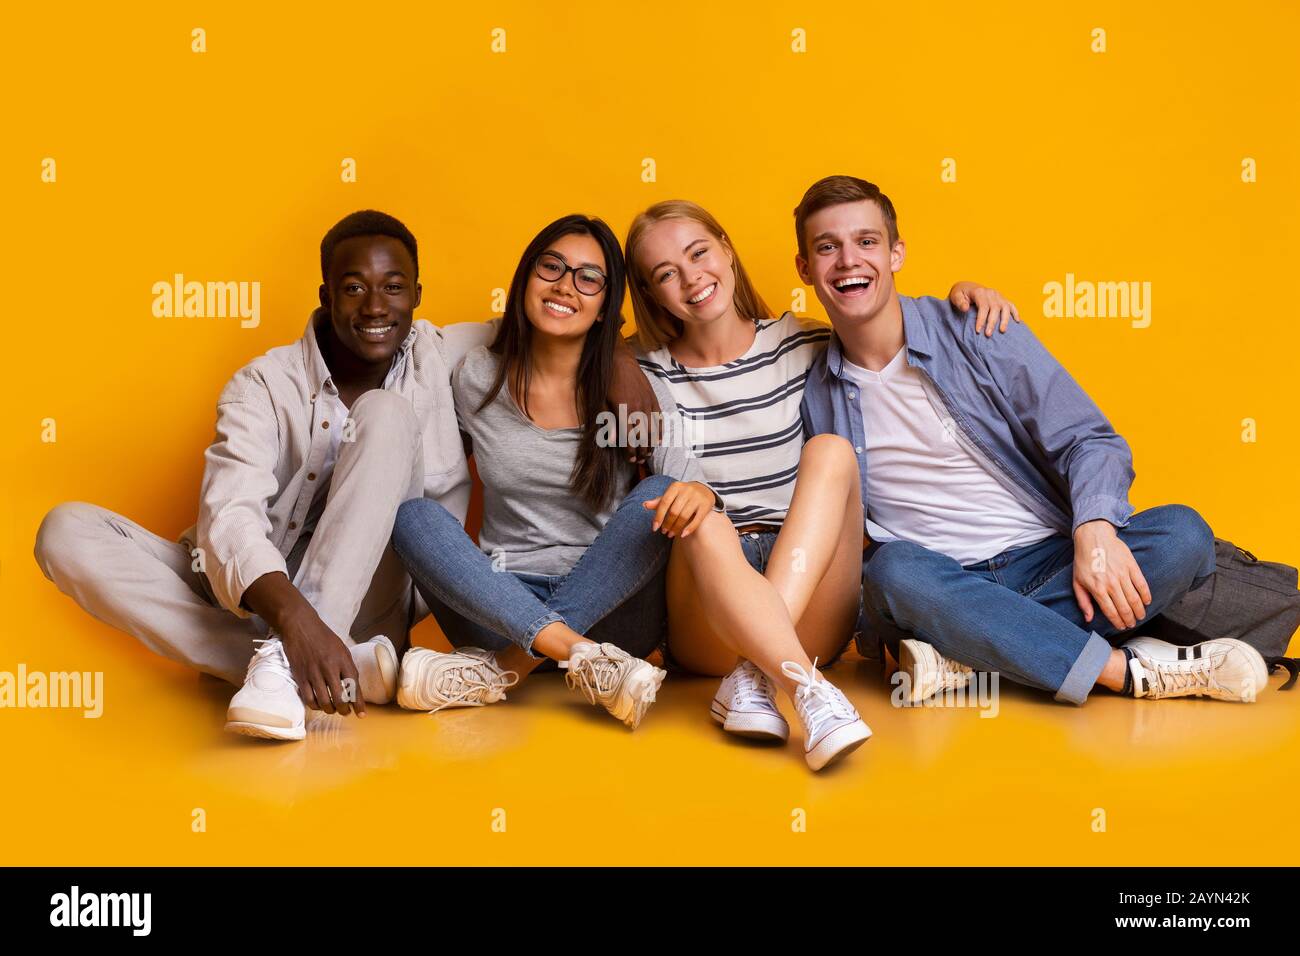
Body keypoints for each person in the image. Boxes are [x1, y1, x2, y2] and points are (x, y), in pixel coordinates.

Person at [33, 209, 659, 742]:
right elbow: (230, 515)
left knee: (385, 415)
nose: (375, 306)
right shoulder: (263, 384)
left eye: (394, 288)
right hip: (252, 589)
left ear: (417, 295)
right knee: (65, 531)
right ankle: (325, 666)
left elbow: (556, 323)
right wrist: (295, 622)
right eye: (354, 288)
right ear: (326, 294)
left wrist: (622, 363)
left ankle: (292, 664)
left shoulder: (445, 353)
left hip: (369, 599)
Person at [795, 175, 1269, 705]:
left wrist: (1093, 529)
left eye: (866, 241)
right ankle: (1122, 670)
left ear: (896, 253)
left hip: (1052, 562)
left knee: (1183, 535)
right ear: (805, 268)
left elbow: (1090, 438)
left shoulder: (977, 328)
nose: (848, 261)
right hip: (937, 582)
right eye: (826, 247)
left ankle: (969, 654)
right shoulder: (810, 386)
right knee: (892, 572)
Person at [622, 199, 1014, 768]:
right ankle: (808, 693)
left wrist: (963, 300)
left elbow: (885, 326)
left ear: (727, 252)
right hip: (708, 605)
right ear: (650, 292)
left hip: (809, 592)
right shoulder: (637, 368)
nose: (691, 279)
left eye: (699, 253)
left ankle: (759, 677)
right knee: (702, 520)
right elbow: (547, 336)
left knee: (831, 451)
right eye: (665, 274)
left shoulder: (800, 343)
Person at [390, 214, 718, 731]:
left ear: (606, 304)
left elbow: (687, 478)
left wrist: (698, 493)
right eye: (552, 267)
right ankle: (579, 656)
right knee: (413, 517)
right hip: (499, 602)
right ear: (525, 276)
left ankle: (505, 672)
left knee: (660, 490)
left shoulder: (628, 388)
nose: (566, 286)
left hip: (614, 611)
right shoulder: (476, 375)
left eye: (589, 278)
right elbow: (414, 345)